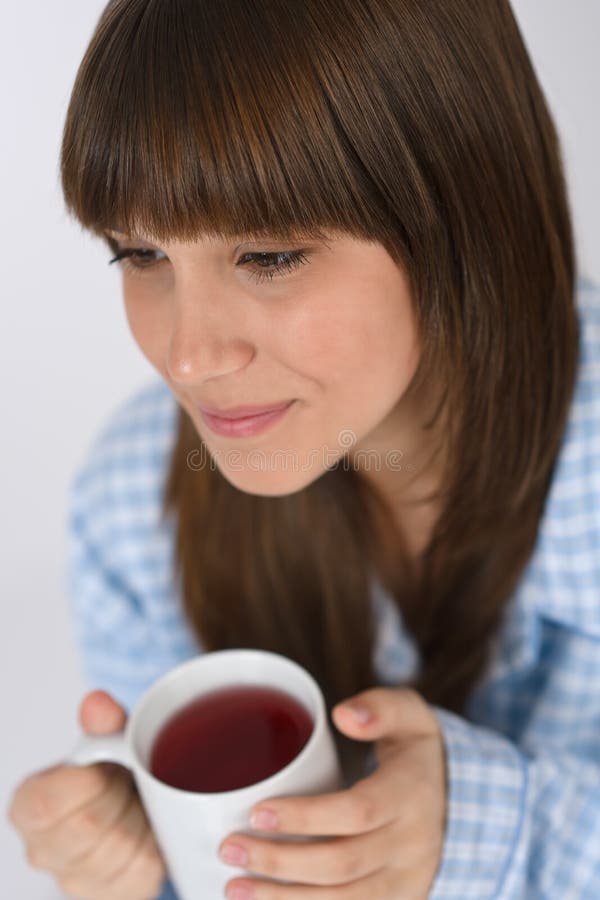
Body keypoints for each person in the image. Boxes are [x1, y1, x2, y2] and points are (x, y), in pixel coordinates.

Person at [7, 0, 600, 897]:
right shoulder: (133, 506)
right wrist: (153, 860)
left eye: (272, 255)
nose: (189, 357)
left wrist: (491, 831)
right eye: (138, 254)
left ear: (465, 210)